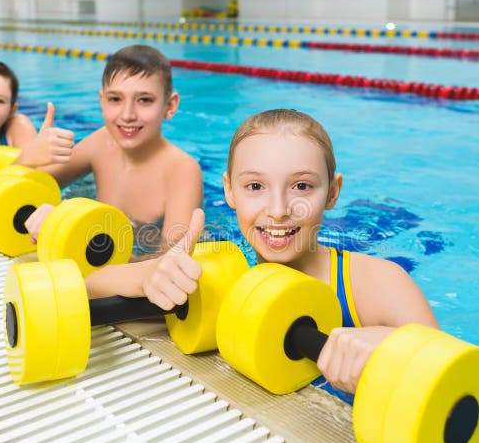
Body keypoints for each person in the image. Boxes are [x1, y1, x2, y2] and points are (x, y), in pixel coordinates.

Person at [85, 108, 438, 396]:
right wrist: (150, 275)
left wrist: (396, 346)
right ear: (229, 191)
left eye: (301, 186)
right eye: (255, 186)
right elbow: (87, 290)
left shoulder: (373, 283)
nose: (279, 209)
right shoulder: (224, 286)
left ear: (333, 192)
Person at [24, 44, 203, 257]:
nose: (127, 115)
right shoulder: (101, 142)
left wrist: (68, 232)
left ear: (170, 106)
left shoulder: (182, 172)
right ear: (102, 101)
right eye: (115, 99)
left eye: (144, 100)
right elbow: (26, 191)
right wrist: (29, 156)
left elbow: (170, 264)